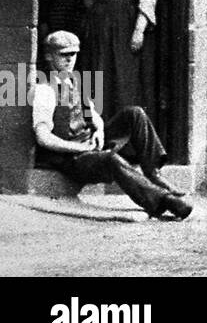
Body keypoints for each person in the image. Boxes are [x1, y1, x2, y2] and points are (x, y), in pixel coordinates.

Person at [31, 31, 190, 220]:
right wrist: (79, 147)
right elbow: (42, 137)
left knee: (135, 113)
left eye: (72, 55)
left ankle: (153, 172)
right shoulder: (44, 90)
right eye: (63, 55)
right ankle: (164, 201)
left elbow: (93, 115)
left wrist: (98, 130)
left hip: (89, 145)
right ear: (49, 56)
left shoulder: (74, 82)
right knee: (111, 159)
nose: (69, 60)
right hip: (71, 158)